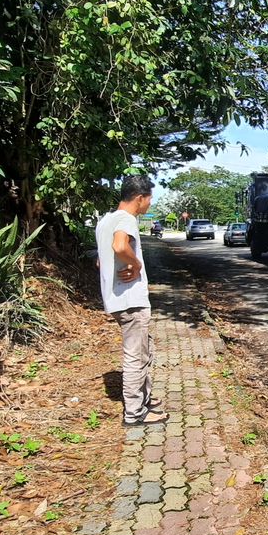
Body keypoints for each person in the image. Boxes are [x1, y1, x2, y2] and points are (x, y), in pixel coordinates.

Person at [96, 175, 168, 426]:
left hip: (116, 298)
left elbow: (101, 260)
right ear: (139, 198)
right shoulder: (127, 219)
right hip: (130, 300)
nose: (150, 204)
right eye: (149, 199)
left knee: (144, 351)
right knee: (136, 356)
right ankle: (135, 413)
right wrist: (136, 265)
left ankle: (145, 399)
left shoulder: (105, 220)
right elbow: (119, 247)